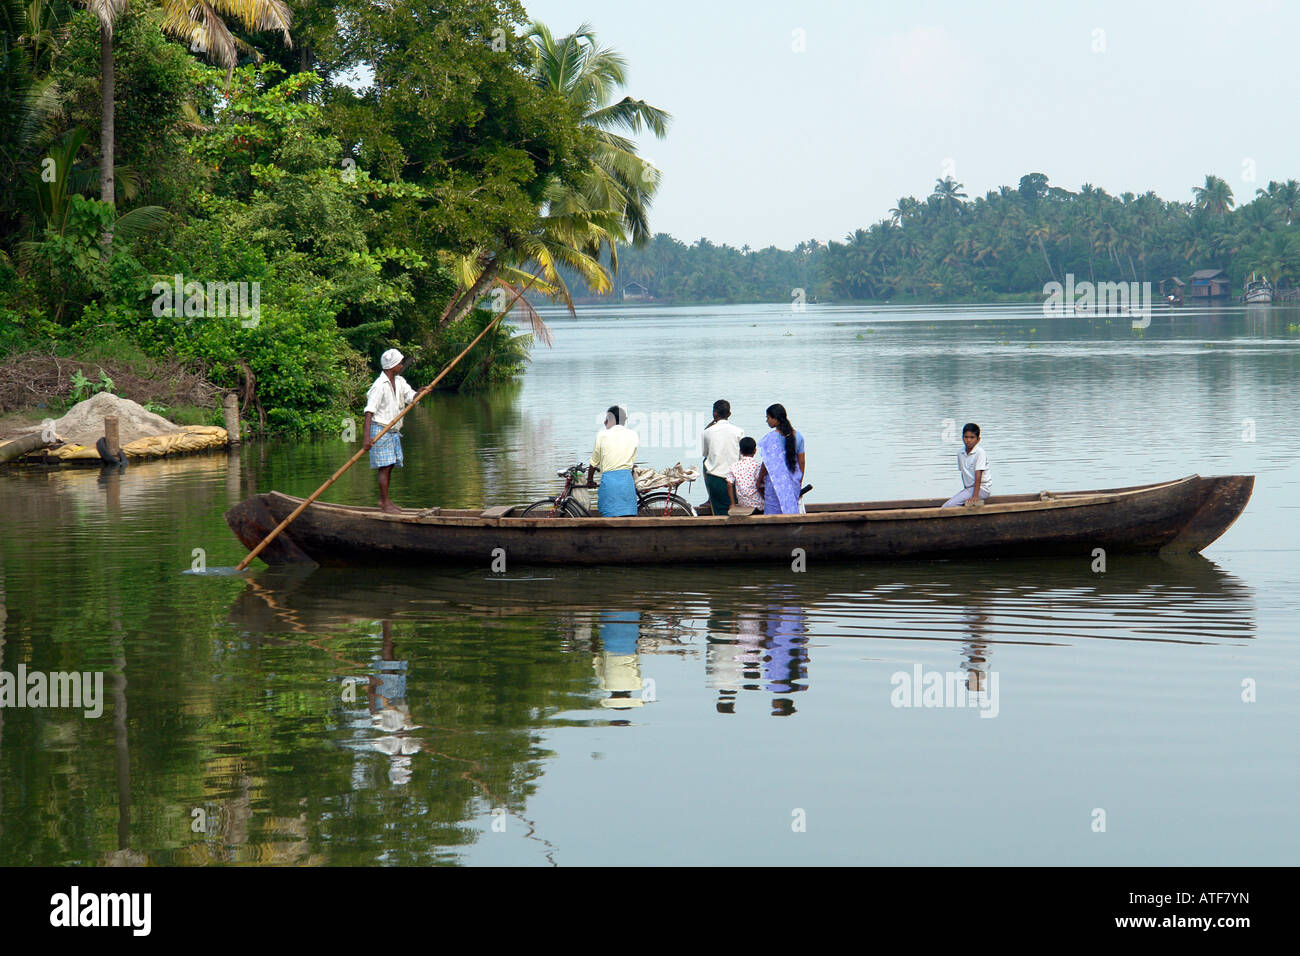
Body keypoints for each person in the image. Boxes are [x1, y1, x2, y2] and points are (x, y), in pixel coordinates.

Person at [362, 348, 417, 514]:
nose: (401, 365)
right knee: (384, 467)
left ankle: (385, 500)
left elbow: (410, 396)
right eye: (399, 363)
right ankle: (384, 503)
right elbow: (369, 412)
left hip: (392, 430)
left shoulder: (399, 381)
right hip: (379, 430)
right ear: (391, 365)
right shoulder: (379, 386)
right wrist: (366, 439)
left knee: (390, 465)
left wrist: (420, 393)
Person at [587, 405, 639, 516]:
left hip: (610, 483)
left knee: (609, 516)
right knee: (628, 516)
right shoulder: (633, 434)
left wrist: (590, 480)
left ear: (611, 419)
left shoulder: (602, 435)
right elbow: (631, 460)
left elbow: (594, 462)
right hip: (626, 482)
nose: (604, 422)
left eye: (606, 419)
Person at [756, 403, 805, 515]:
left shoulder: (769, 438)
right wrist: (799, 481)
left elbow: (767, 464)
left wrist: (759, 479)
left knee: (773, 510)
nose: (767, 421)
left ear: (776, 419)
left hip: (775, 482)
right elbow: (801, 462)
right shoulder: (799, 436)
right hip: (793, 480)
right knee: (791, 509)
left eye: (768, 417)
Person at [701, 399, 744, 516]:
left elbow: (705, 454)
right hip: (734, 477)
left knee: (705, 461)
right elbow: (742, 456)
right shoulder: (739, 431)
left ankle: (710, 498)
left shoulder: (707, 432)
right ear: (729, 414)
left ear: (714, 414)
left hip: (715, 479)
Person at [942, 422, 991, 508]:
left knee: (947, 506)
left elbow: (978, 475)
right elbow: (963, 474)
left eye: (972, 437)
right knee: (952, 504)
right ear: (962, 438)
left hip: (982, 489)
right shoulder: (960, 453)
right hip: (970, 489)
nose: (968, 440)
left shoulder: (980, 452)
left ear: (978, 439)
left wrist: (975, 497)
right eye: (966, 437)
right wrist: (966, 491)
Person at [726, 436, 764, 511]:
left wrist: (733, 504)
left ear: (740, 451)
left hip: (743, 505)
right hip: (758, 505)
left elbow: (729, 484)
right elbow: (760, 484)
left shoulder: (734, 466)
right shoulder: (757, 466)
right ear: (755, 451)